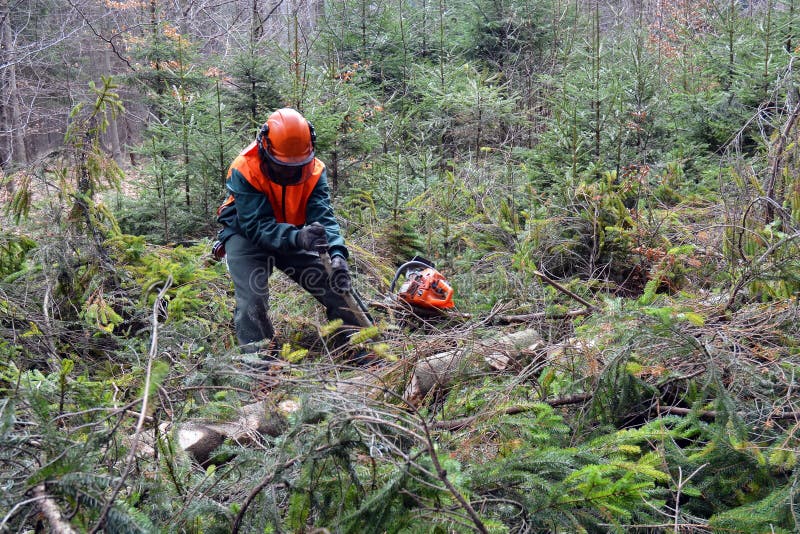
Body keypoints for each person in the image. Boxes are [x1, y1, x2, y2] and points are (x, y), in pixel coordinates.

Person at [216, 107, 365, 357]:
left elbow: (323, 216)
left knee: (336, 285)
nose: (289, 172)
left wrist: (337, 254)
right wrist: (300, 237)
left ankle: (359, 349)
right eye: (282, 166)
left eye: (295, 167)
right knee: (252, 300)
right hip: (246, 235)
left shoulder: (315, 171)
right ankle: (260, 365)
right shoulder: (245, 168)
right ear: (266, 149)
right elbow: (256, 226)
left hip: (294, 233)